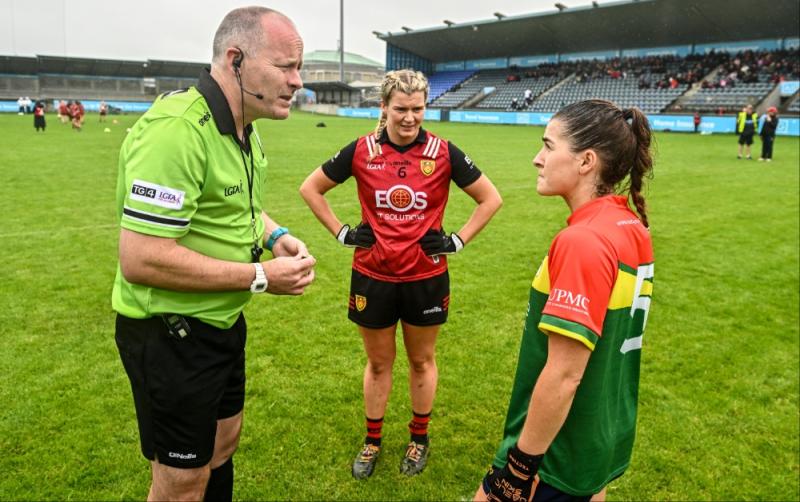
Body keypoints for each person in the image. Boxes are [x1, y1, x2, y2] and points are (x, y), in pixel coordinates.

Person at [113, 7, 314, 501]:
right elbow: (142, 258)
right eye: (285, 67)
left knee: (222, 447)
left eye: (298, 68)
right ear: (236, 59)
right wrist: (261, 276)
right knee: (181, 481)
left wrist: (274, 235)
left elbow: (235, 205)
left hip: (222, 323)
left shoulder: (244, 126)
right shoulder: (176, 131)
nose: (298, 81)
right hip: (169, 331)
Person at [300, 69, 502, 480]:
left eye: (418, 108)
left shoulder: (444, 152)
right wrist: (342, 233)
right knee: (378, 364)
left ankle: (418, 439)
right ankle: (372, 441)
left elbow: (490, 198)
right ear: (384, 108)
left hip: (425, 277)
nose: (410, 118)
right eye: (401, 109)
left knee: (422, 360)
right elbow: (311, 188)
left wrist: (456, 241)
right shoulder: (362, 150)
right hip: (372, 274)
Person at [475, 99, 655, 502]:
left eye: (548, 146)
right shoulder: (629, 224)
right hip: (597, 442)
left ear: (586, 161)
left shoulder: (583, 241)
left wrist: (519, 469)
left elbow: (564, 375)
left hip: (554, 454)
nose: (537, 159)